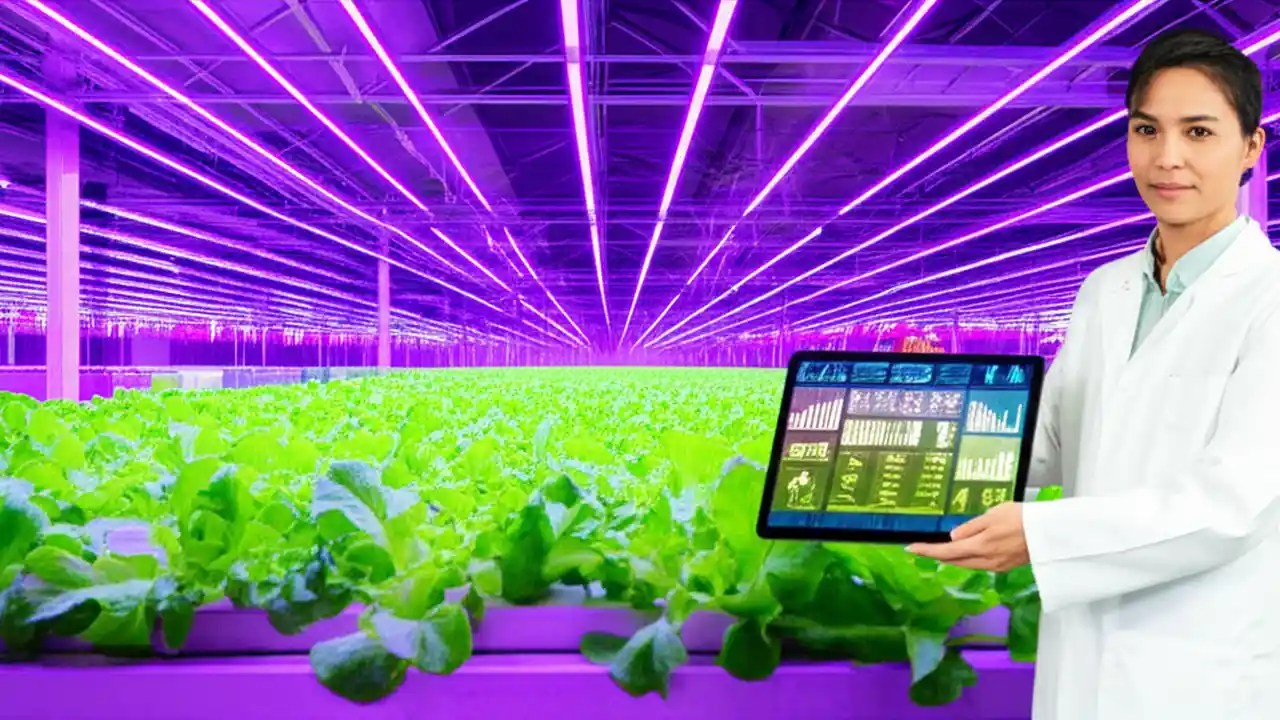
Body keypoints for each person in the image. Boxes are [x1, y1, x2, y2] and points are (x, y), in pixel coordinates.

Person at [907, 28, 1280, 719]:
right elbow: (1050, 442)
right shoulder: (1105, 289)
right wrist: (941, 407)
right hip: (1081, 666)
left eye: (1199, 132)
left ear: (1252, 148)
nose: (1168, 158)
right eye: (1147, 130)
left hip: (1203, 673)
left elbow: (1233, 505)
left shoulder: (1270, 299)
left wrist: (1044, 537)